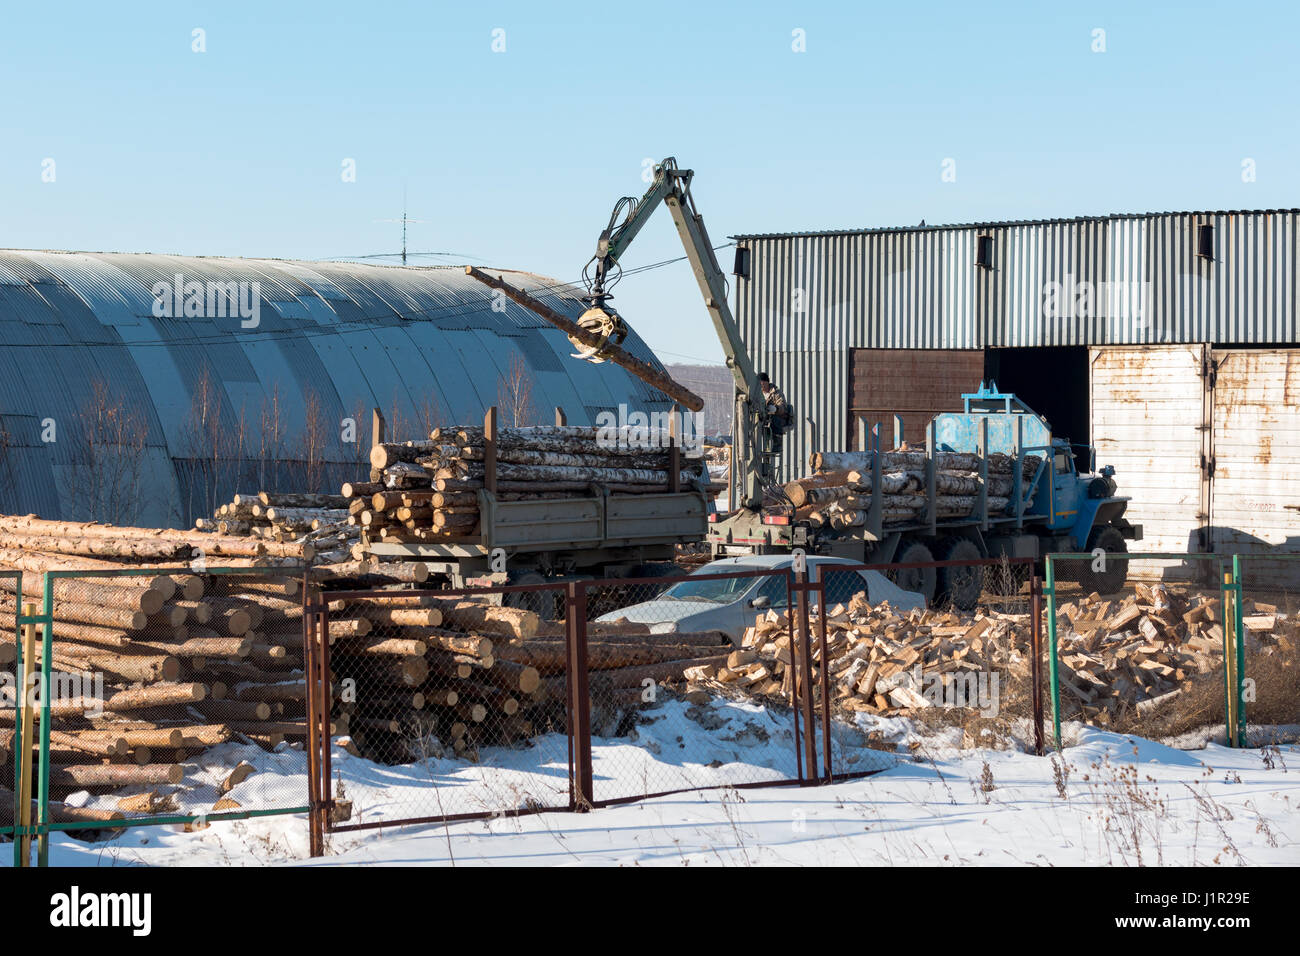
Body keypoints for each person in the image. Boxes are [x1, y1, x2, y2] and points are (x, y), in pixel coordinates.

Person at [759, 372, 791, 454]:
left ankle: (777, 444)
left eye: (763, 384)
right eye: (760, 384)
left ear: (767, 382)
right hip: (764, 417)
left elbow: (782, 407)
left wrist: (775, 409)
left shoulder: (776, 393)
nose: (762, 386)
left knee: (774, 419)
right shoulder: (758, 394)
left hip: (779, 417)